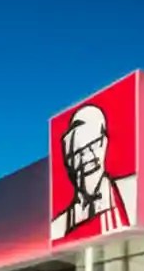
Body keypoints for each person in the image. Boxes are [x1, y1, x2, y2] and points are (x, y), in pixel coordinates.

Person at [51, 104, 137, 243]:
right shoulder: (57, 229)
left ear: (104, 143)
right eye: (78, 153)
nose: (87, 157)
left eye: (94, 145)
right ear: (68, 163)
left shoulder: (133, 192)